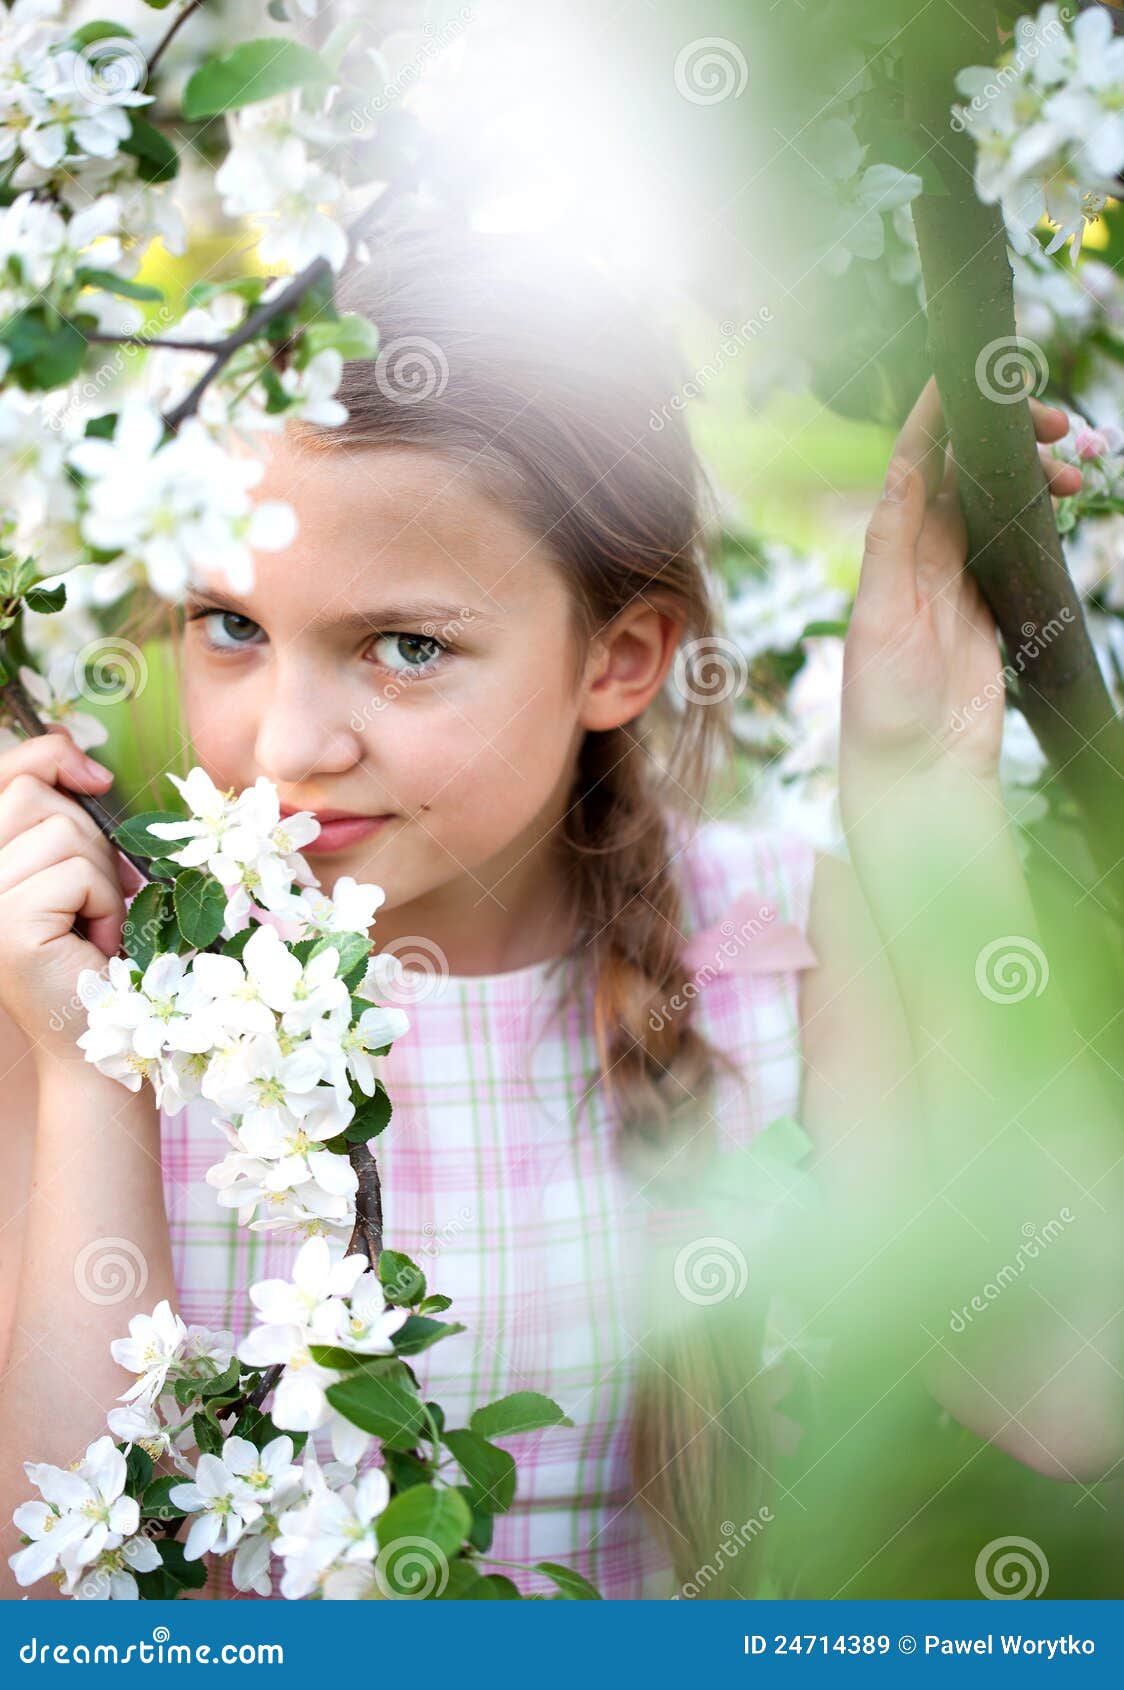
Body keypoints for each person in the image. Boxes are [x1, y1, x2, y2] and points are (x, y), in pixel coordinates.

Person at [0, 227, 1118, 1602]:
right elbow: (53, 1613)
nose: (285, 743)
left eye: (405, 647)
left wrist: (919, 791)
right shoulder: (82, 973)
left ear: (620, 657)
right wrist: (85, 1071)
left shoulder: (776, 948)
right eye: (229, 622)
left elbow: (1068, 1390)